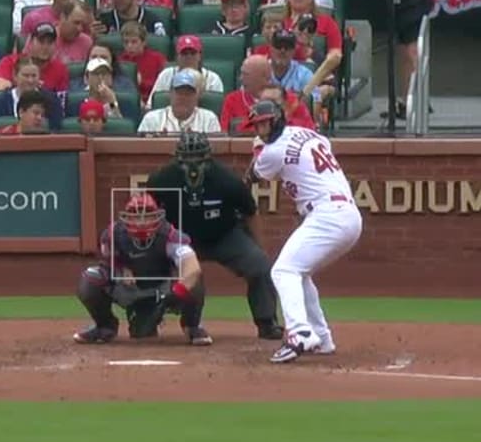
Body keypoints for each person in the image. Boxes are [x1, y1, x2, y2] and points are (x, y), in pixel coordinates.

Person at [243, 99, 359, 363]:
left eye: (263, 123)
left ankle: (299, 333)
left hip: (327, 214)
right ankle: (322, 337)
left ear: (275, 120)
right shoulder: (309, 134)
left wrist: (258, 151)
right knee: (299, 273)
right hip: (345, 213)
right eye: (256, 126)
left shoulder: (272, 152)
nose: (259, 129)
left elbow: (254, 177)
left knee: (283, 271)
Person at [145, 130, 282, 338]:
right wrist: (154, 248)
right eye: (187, 160)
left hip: (224, 235)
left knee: (260, 265)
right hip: (180, 239)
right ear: (177, 159)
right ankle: (180, 323)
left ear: (209, 158)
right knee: (187, 276)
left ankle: (266, 322)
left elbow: (251, 212)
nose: (193, 166)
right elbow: (149, 213)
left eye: (199, 159)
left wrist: (259, 247)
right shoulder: (162, 180)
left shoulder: (226, 180)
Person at [71, 191, 211, 345]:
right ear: (126, 217)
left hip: (163, 289)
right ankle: (105, 326)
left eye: (147, 215)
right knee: (91, 278)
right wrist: (121, 268)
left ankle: (192, 326)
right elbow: (107, 261)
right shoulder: (112, 235)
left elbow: (192, 265)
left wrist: (178, 291)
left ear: (157, 216)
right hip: (128, 288)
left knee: (194, 280)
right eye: (135, 216)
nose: (141, 221)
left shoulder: (170, 236)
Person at [0, 21, 71, 93]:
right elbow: (0, 90)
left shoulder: (60, 69)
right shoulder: (9, 62)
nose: (45, 47)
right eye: (41, 42)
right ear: (30, 42)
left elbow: (61, 100)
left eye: (50, 42)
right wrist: (28, 86)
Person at [0, 58, 66, 128]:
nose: (30, 80)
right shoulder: (2, 101)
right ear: (15, 76)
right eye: (26, 76)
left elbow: (56, 128)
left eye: (34, 76)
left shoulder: (52, 100)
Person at [139, 69, 221, 135]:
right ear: (170, 94)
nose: (183, 98)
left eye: (188, 94)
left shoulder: (209, 119)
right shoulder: (152, 119)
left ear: (197, 97)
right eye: (179, 93)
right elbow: (141, 150)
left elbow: (215, 150)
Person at [150, 35, 225, 96]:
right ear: (177, 57)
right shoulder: (166, 75)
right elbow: (152, 104)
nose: (189, 57)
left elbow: (218, 108)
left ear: (200, 56)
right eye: (184, 53)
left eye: (193, 53)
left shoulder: (213, 79)